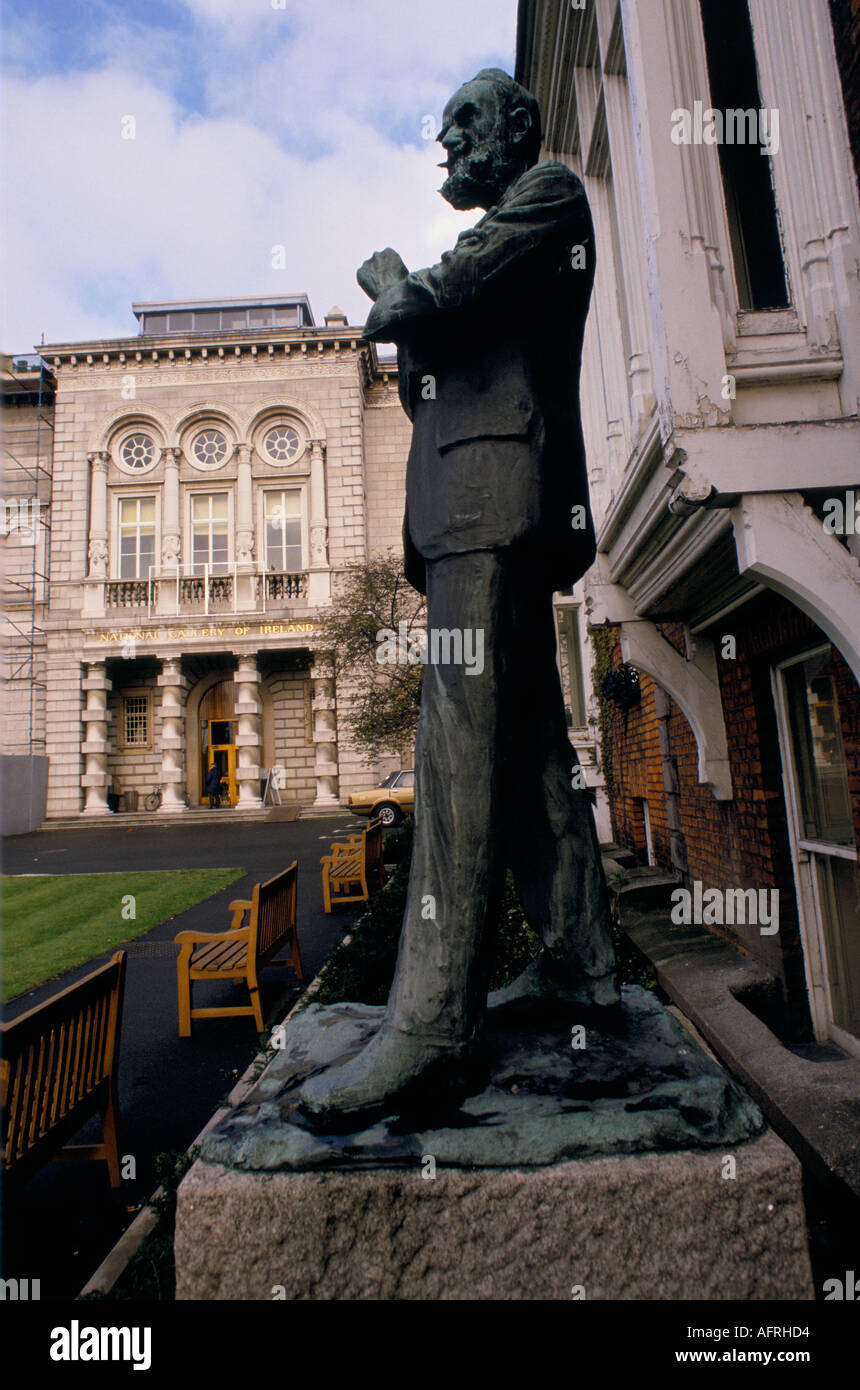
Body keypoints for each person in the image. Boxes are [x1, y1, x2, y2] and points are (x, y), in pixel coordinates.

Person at [299, 68, 618, 1130]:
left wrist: (395, 281)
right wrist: (414, 319)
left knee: (455, 753)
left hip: (493, 505)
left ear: (512, 131)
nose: (444, 150)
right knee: (526, 747)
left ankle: (429, 1026)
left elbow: (416, 307)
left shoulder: (548, 194)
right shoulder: (510, 235)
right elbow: (421, 362)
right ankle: (578, 963)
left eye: (459, 131)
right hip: (465, 512)